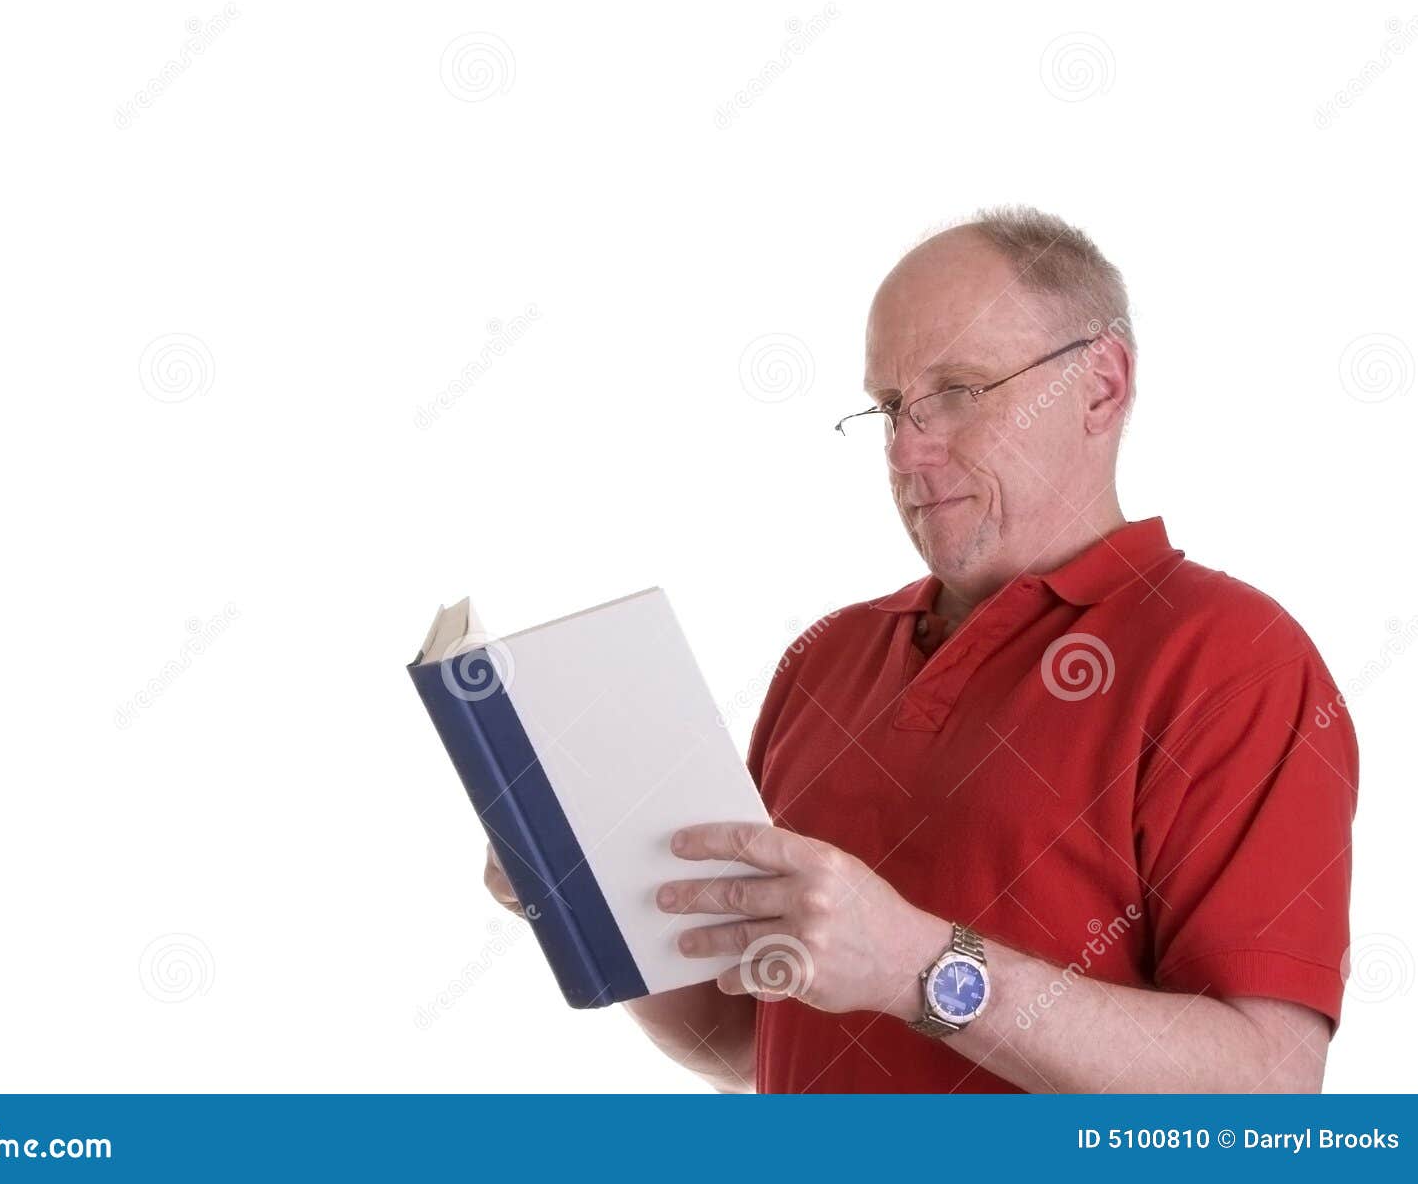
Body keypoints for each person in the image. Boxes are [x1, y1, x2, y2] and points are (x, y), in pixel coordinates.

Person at [485, 206, 1358, 1093]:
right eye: (893, 405)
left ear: (1101, 386)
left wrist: (918, 969)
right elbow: (748, 1043)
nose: (905, 448)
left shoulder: (1234, 657)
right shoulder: (825, 660)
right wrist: (576, 895)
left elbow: (1269, 1086)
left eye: (959, 392)